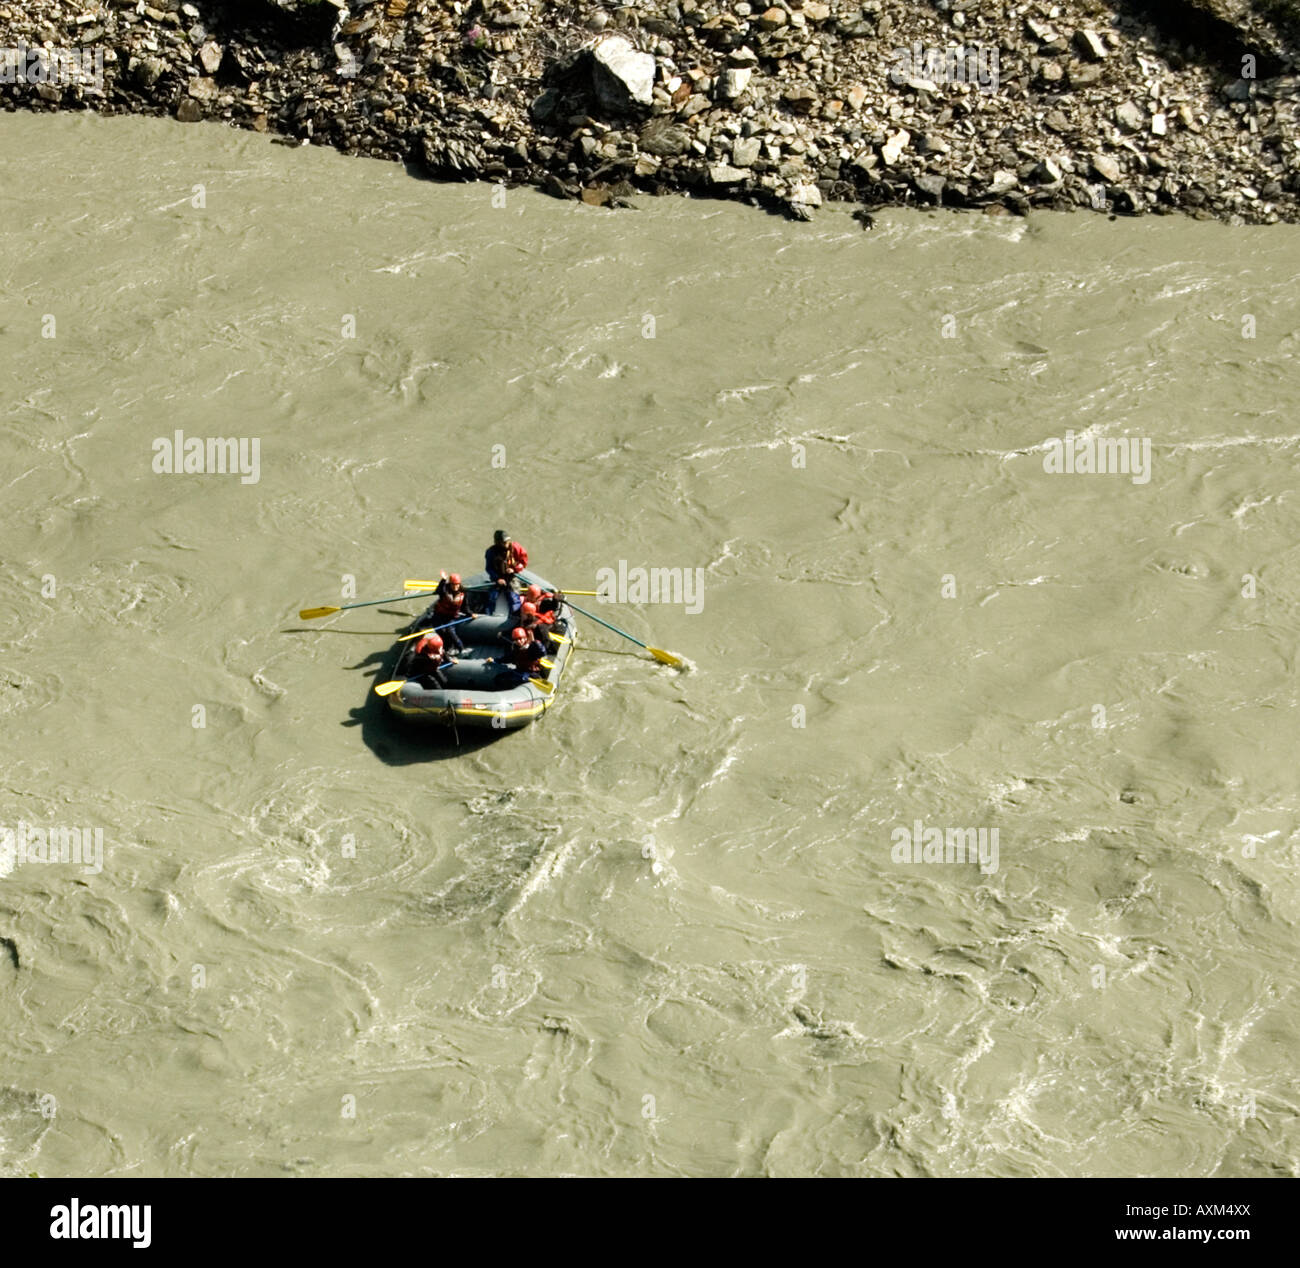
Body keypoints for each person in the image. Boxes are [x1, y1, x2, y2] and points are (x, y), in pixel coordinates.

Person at [485, 530, 528, 614]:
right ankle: (488, 615)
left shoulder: (515, 548)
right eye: (504, 542)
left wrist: (514, 569)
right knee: (492, 597)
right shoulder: (491, 552)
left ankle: (516, 615)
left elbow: (523, 562)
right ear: (498, 543)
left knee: (513, 596)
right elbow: (489, 568)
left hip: (511, 577)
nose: (506, 544)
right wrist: (497, 579)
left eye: (507, 541)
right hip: (497, 577)